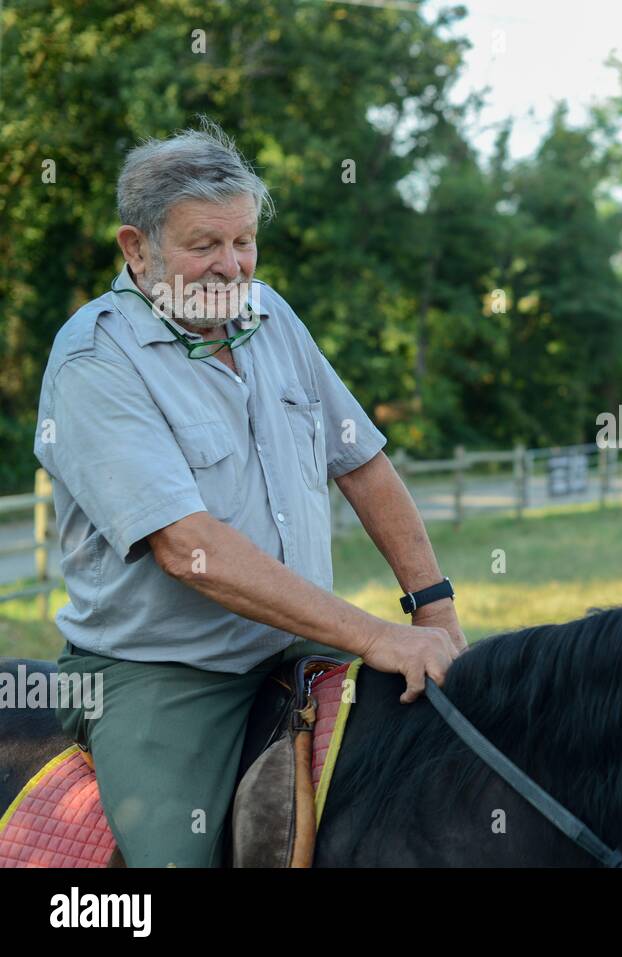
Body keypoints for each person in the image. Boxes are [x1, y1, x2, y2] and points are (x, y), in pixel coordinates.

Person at [33, 117, 464, 867]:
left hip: (295, 637)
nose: (232, 267)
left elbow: (361, 463)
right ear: (137, 247)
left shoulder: (271, 316)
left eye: (244, 242)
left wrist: (435, 608)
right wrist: (376, 636)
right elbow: (187, 546)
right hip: (164, 672)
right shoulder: (94, 360)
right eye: (205, 246)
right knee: (171, 864)